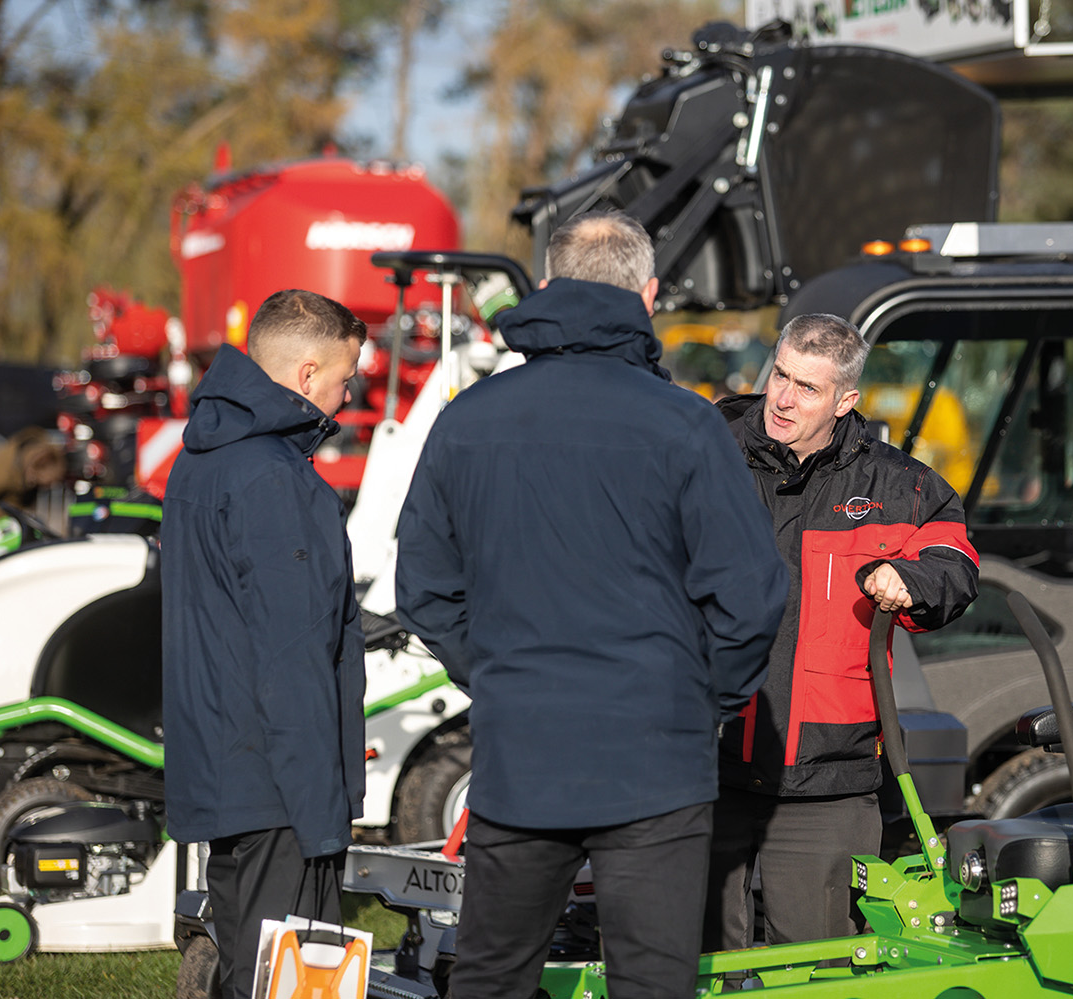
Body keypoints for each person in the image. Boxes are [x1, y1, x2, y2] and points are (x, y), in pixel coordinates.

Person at [396, 210, 788, 999]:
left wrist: (500, 673)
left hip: (523, 747)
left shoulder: (467, 421)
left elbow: (425, 590)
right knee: (650, 980)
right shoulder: (685, 423)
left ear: (546, 286)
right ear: (646, 297)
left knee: (491, 976)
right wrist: (698, 696)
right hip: (656, 757)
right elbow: (752, 594)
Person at [704, 313, 980, 952]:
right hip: (703, 767)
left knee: (817, 971)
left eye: (807, 387)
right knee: (695, 969)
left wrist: (915, 579)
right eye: (780, 375)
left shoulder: (898, 486)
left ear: (846, 400)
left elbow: (957, 562)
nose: (782, 397)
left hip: (828, 783)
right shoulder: (705, 450)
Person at [160, 289, 367, 999]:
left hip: (229, 772)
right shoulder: (275, 478)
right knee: (292, 979)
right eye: (346, 376)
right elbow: (295, 653)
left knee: (246, 965)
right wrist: (323, 816)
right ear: (307, 375)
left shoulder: (204, 459)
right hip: (279, 784)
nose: (350, 393)